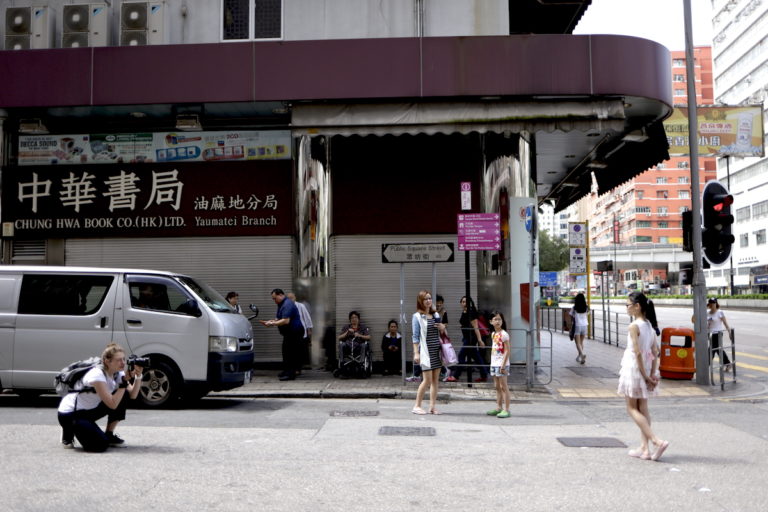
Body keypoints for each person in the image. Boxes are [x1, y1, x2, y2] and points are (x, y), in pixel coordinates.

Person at [57, 342, 144, 452]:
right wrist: (124, 383)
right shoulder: (97, 374)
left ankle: (109, 434)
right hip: (70, 414)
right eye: (119, 360)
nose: (123, 363)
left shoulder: (118, 372)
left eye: (123, 359)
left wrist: (138, 376)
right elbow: (112, 405)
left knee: (124, 394)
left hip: (88, 411)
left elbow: (132, 395)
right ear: (107, 361)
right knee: (100, 445)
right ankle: (69, 429)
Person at [617, 291, 669, 461]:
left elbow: (637, 353)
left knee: (631, 408)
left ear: (637, 306)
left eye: (628, 305)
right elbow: (655, 351)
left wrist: (646, 377)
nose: (626, 308)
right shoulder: (650, 326)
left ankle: (656, 441)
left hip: (634, 368)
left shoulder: (634, 326)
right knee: (643, 408)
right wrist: (652, 373)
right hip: (646, 368)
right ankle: (644, 449)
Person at [411, 290, 447, 415]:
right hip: (425, 351)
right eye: (425, 299)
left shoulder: (436, 315)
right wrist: (416, 353)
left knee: (435, 381)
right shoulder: (416, 316)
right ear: (420, 301)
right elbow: (415, 337)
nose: (428, 301)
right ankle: (417, 405)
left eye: (430, 298)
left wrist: (443, 327)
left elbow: (441, 332)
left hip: (436, 350)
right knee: (426, 380)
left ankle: (432, 407)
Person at [260, 289, 304, 381]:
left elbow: (285, 320)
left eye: (275, 298)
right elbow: (280, 318)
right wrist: (271, 321)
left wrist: (272, 324)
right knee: (286, 352)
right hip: (290, 333)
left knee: (290, 353)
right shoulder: (281, 304)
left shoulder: (287, 304)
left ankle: (290, 374)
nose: (274, 301)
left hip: (294, 332)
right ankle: (287, 371)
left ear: (280, 295)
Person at [448, 296, 488, 383]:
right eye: (462, 301)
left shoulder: (471, 312)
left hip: (471, 338)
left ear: (469, 302)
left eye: (466, 301)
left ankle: (456, 376)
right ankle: (484, 375)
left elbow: (476, 327)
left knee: (461, 356)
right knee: (476, 357)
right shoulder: (465, 311)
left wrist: (480, 340)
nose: (464, 303)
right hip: (466, 337)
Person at [486, 310, 511, 418]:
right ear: (490, 321)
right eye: (495, 319)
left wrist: (503, 365)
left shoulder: (504, 334)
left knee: (503, 386)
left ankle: (506, 409)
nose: (498, 321)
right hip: (494, 363)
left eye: (499, 319)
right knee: (497, 386)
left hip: (502, 364)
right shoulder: (493, 334)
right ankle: (498, 407)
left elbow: (507, 350)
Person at [287, 292, 313, 373]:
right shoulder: (286, 307)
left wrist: (309, 329)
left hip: (300, 331)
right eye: (289, 298)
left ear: (295, 298)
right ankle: (293, 368)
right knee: (292, 351)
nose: (291, 300)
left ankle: (298, 368)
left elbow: (307, 317)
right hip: (290, 332)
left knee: (299, 351)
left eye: (292, 298)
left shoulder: (301, 306)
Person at [706, 297, 732, 371]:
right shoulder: (707, 313)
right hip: (710, 334)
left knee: (712, 349)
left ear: (716, 303)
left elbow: (725, 323)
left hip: (718, 333)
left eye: (714, 303)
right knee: (717, 349)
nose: (712, 304)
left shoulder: (720, 312)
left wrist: (729, 332)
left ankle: (706, 365)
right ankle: (727, 364)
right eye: (711, 303)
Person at [569, 292, 589, 365]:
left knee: (577, 343)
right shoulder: (586, 307)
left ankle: (582, 355)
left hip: (578, 325)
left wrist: (571, 327)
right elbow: (587, 314)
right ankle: (579, 357)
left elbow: (571, 317)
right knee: (581, 342)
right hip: (585, 325)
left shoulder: (574, 308)